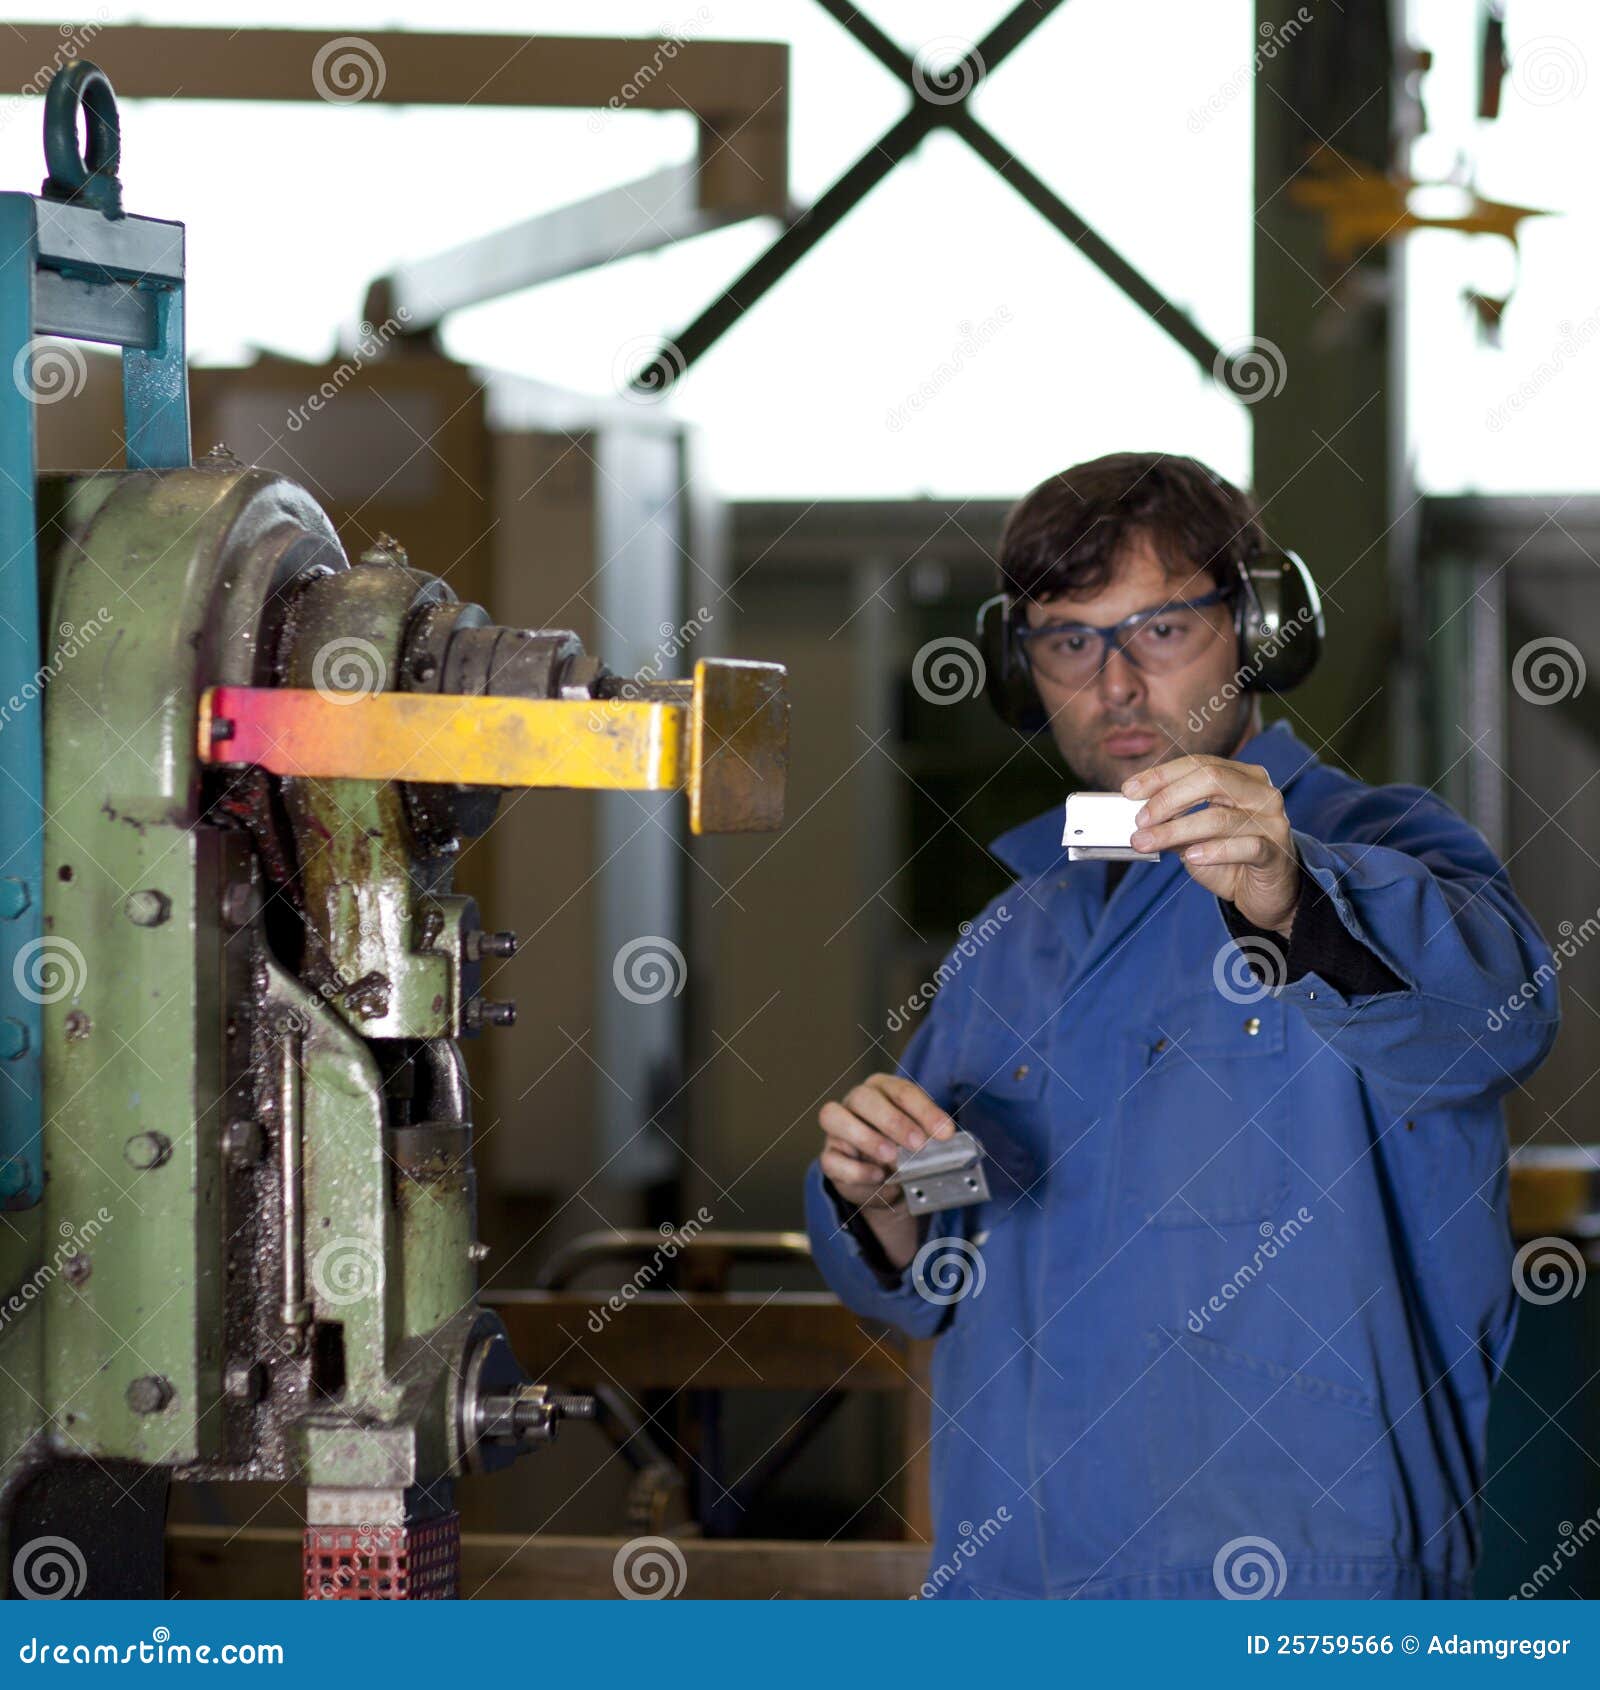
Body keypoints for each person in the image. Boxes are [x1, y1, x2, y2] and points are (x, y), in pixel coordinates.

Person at [804, 452, 1560, 1599]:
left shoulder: (1388, 854)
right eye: (1067, 640)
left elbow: (1491, 1024)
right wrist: (880, 1202)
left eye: (1159, 630)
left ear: (1256, 630)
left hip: (1304, 1583)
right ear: (1023, 667)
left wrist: (1294, 893)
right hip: (1024, 1581)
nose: (1112, 684)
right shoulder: (1013, 938)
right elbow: (934, 1257)